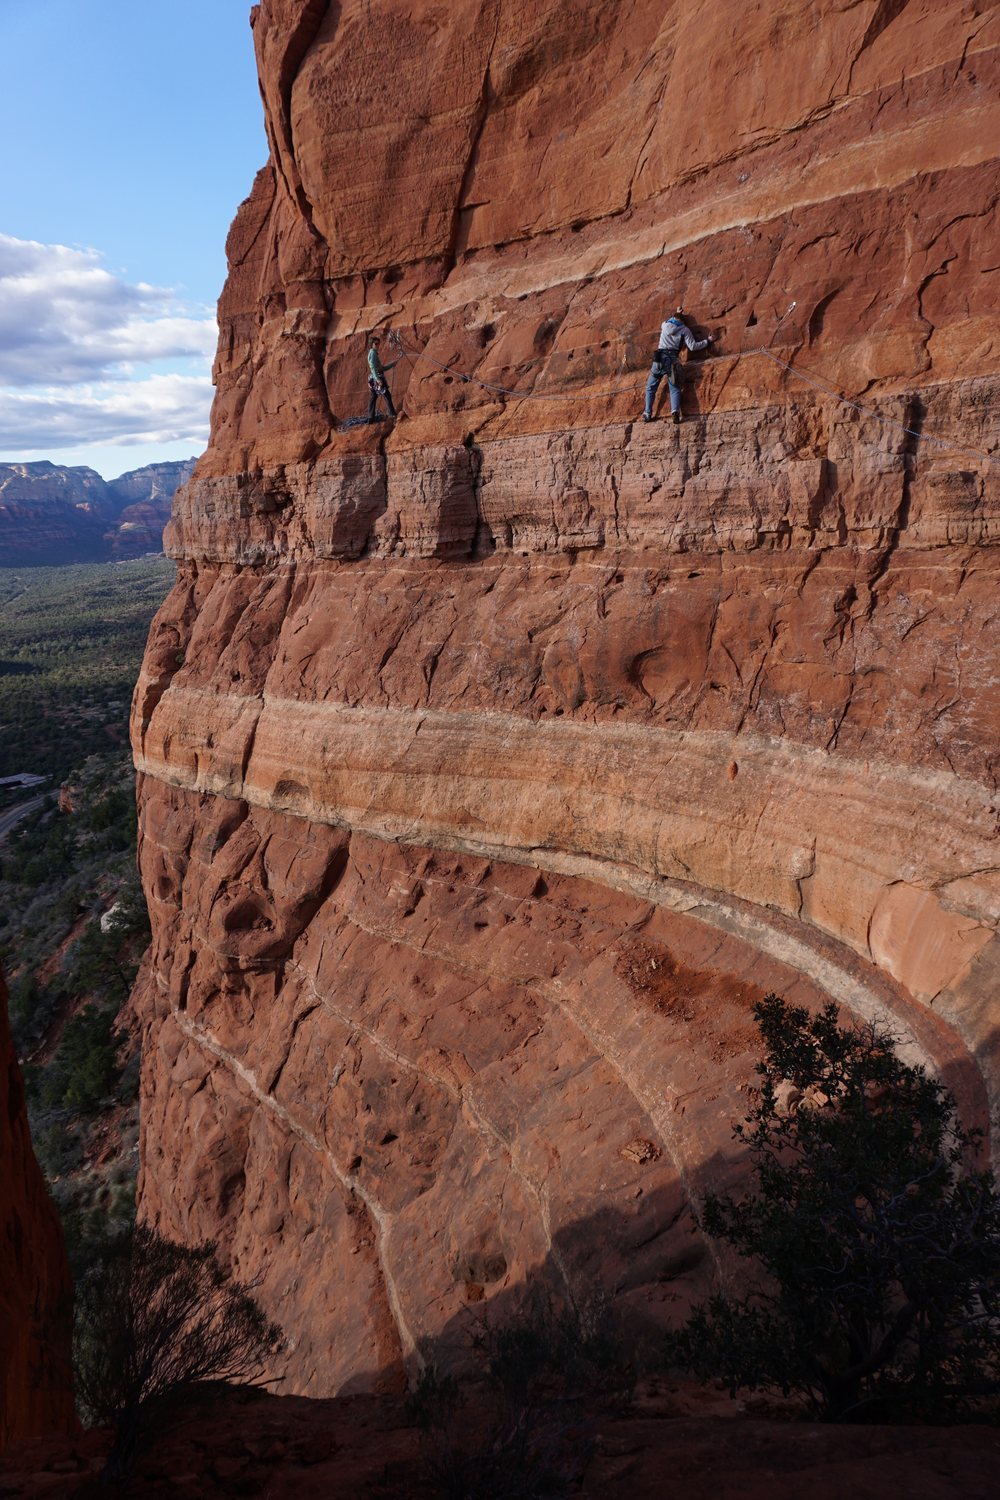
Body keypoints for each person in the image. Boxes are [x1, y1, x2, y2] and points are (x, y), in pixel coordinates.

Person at [642, 308, 713, 424]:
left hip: (659, 360)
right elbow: (692, 346)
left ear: (673, 318)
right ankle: (675, 412)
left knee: (651, 387)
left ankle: (647, 413)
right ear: (683, 321)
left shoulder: (664, 324)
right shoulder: (685, 330)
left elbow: (673, 319)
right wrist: (708, 341)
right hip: (672, 360)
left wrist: (678, 313)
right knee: (674, 388)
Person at [366, 334, 398, 421]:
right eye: (376, 344)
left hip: (374, 378)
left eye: (378, 343)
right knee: (387, 395)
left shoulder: (373, 353)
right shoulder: (372, 353)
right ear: (372, 344)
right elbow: (373, 367)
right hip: (377, 378)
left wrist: (392, 364)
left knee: (373, 397)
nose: (378, 345)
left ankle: (370, 418)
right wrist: (378, 379)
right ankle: (392, 414)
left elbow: (381, 368)